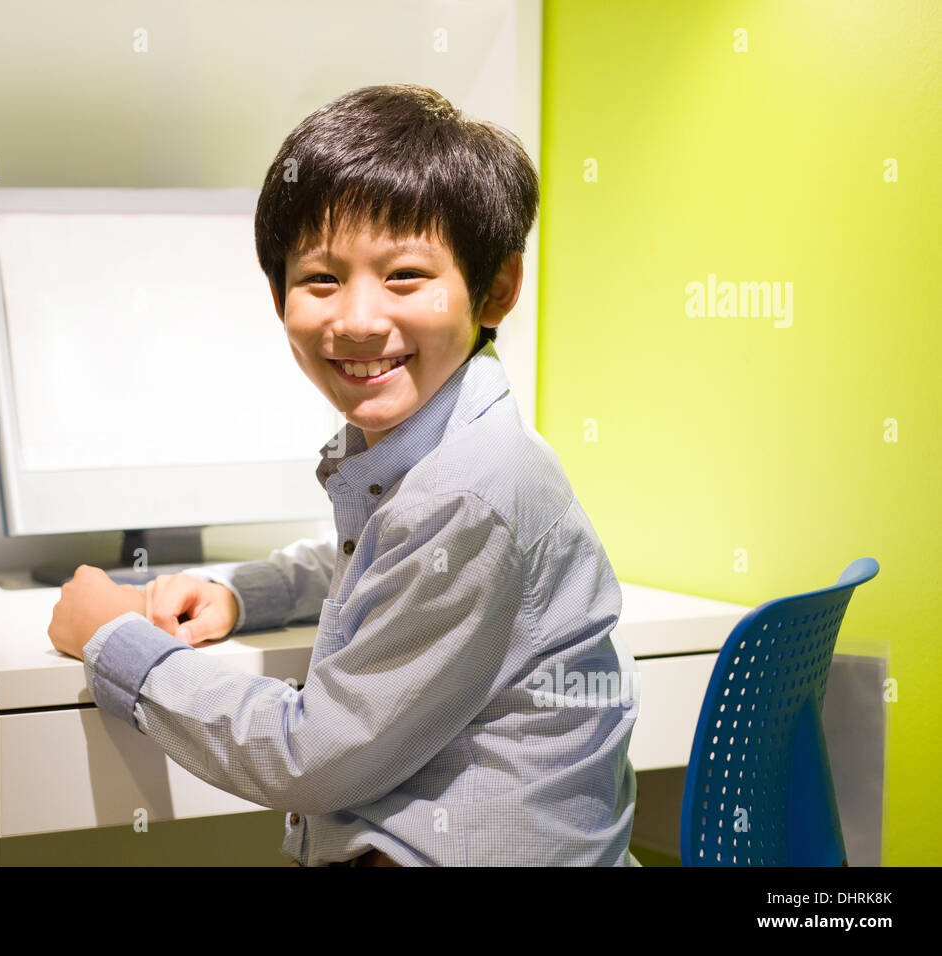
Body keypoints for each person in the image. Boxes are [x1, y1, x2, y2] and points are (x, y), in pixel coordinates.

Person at [47, 84, 639, 866]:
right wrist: (240, 596)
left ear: (495, 289)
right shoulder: (461, 448)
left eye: (403, 277)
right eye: (322, 279)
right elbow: (382, 556)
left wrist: (112, 640)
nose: (357, 319)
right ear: (277, 294)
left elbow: (313, 755)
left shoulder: (469, 494)